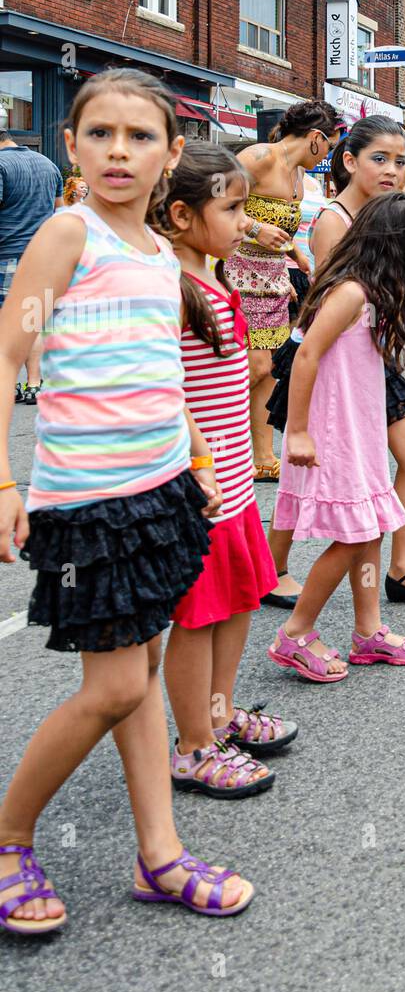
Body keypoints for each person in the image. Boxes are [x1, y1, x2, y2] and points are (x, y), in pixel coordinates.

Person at [0, 67, 252, 934]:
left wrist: (199, 456)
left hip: (161, 496)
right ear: (70, 146)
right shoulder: (68, 236)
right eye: (99, 134)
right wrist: (2, 479)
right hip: (87, 509)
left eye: (139, 137)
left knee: (141, 673)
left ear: (170, 154)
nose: (119, 150)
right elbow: (5, 357)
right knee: (111, 687)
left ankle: (160, 856)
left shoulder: (154, 254)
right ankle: (8, 837)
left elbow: (159, 373)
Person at [268, 117, 405, 607]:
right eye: (379, 159)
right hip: (330, 355)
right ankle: (273, 569)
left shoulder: (390, 214)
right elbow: (331, 313)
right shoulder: (336, 219)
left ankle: (403, 568)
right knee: (308, 469)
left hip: (367, 349)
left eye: (400, 161)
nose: (391, 169)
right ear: (349, 161)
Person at [158, 142, 295, 797]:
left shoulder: (217, 274)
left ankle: (219, 711)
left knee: (238, 597)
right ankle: (192, 745)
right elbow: (166, 390)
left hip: (236, 479)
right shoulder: (170, 284)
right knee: (198, 614)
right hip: (200, 481)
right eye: (232, 208)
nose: (246, 221)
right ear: (182, 216)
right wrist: (194, 464)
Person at [268, 192, 405, 678]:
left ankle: (368, 633)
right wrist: (296, 432)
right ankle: (296, 634)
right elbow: (305, 356)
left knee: (370, 532)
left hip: (359, 431)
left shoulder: (373, 294)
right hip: (334, 434)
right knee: (351, 536)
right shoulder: (351, 293)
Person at [224, 100, 344, 479]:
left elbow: (278, 223)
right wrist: (257, 230)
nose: (330, 155)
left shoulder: (296, 176)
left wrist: (293, 251)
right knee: (255, 366)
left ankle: (262, 459)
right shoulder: (259, 157)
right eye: (330, 146)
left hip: (274, 277)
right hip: (237, 271)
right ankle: (205, 436)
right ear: (314, 138)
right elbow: (212, 197)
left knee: (270, 369)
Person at [1, 112, 63, 406]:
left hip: (6, 254)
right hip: (42, 256)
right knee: (32, 321)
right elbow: (60, 212)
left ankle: (9, 383)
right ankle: (34, 383)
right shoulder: (48, 165)